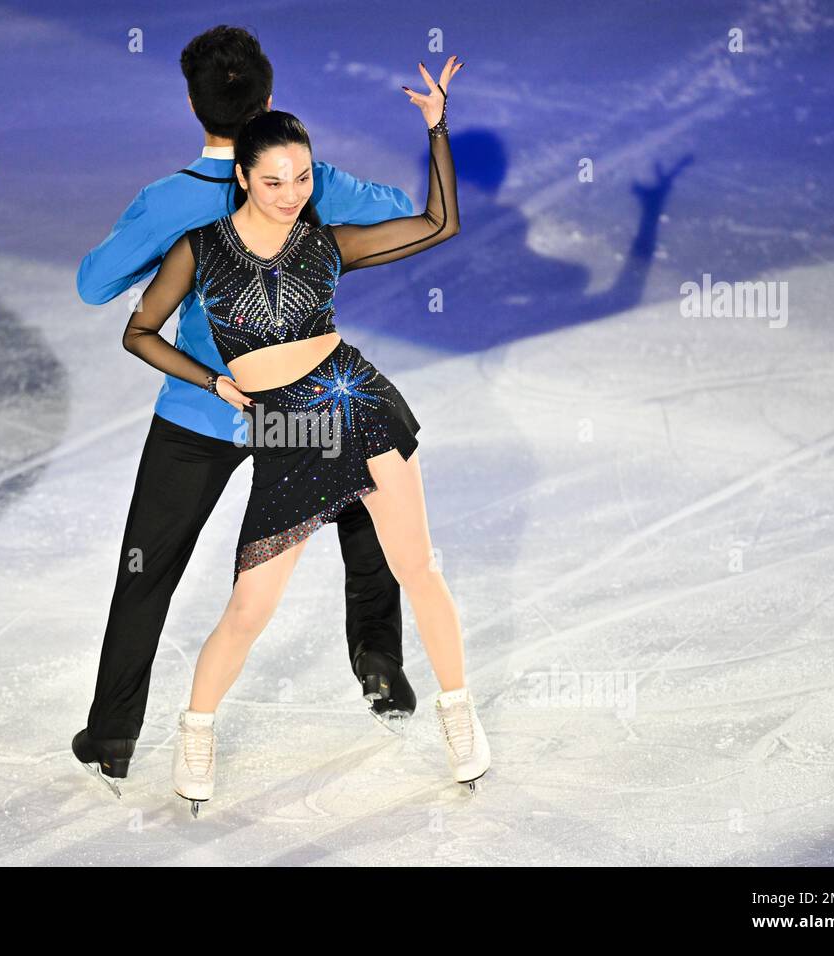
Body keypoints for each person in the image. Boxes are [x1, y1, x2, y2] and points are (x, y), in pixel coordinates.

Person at [120, 54, 489, 815]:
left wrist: (437, 127)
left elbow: (439, 222)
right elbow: (140, 331)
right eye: (276, 181)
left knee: (417, 569)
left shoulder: (327, 244)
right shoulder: (202, 248)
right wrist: (213, 379)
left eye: (303, 179)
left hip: (359, 408)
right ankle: (198, 729)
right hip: (290, 431)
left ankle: (460, 715)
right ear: (247, 179)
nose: (292, 196)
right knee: (251, 608)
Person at [73, 26, 419, 794]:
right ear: (268, 101)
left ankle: (113, 736)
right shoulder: (304, 180)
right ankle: (379, 662)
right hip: (296, 405)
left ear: (193, 104)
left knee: (146, 569)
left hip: (198, 417)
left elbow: (95, 288)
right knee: (365, 515)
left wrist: (168, 235)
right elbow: (403, 210)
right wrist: (311, 190)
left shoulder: (171, 201)